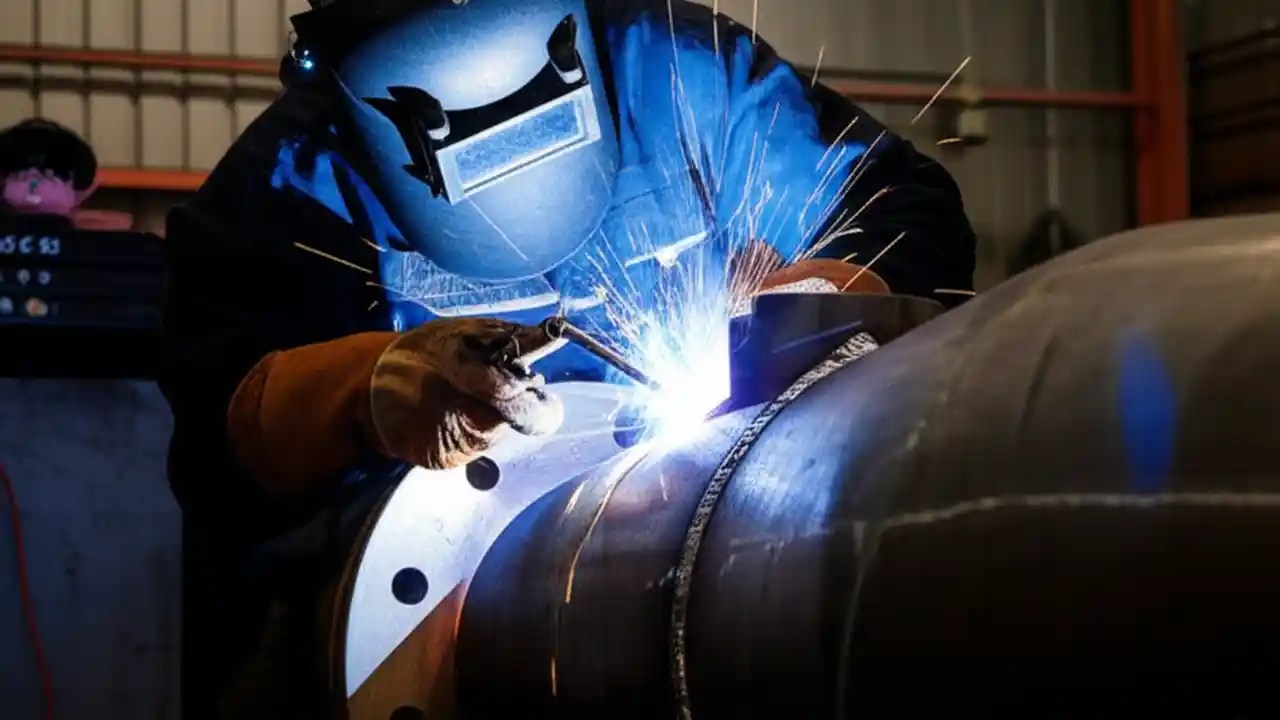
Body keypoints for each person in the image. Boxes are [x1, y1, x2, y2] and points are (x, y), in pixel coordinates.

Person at [158, 0, 976, 716]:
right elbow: (217, 458)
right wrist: (359, 388)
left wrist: (829, 290)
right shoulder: (295, 180)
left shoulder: (681, 70)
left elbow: (909, 214)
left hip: (713, 581)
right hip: (433, 627)